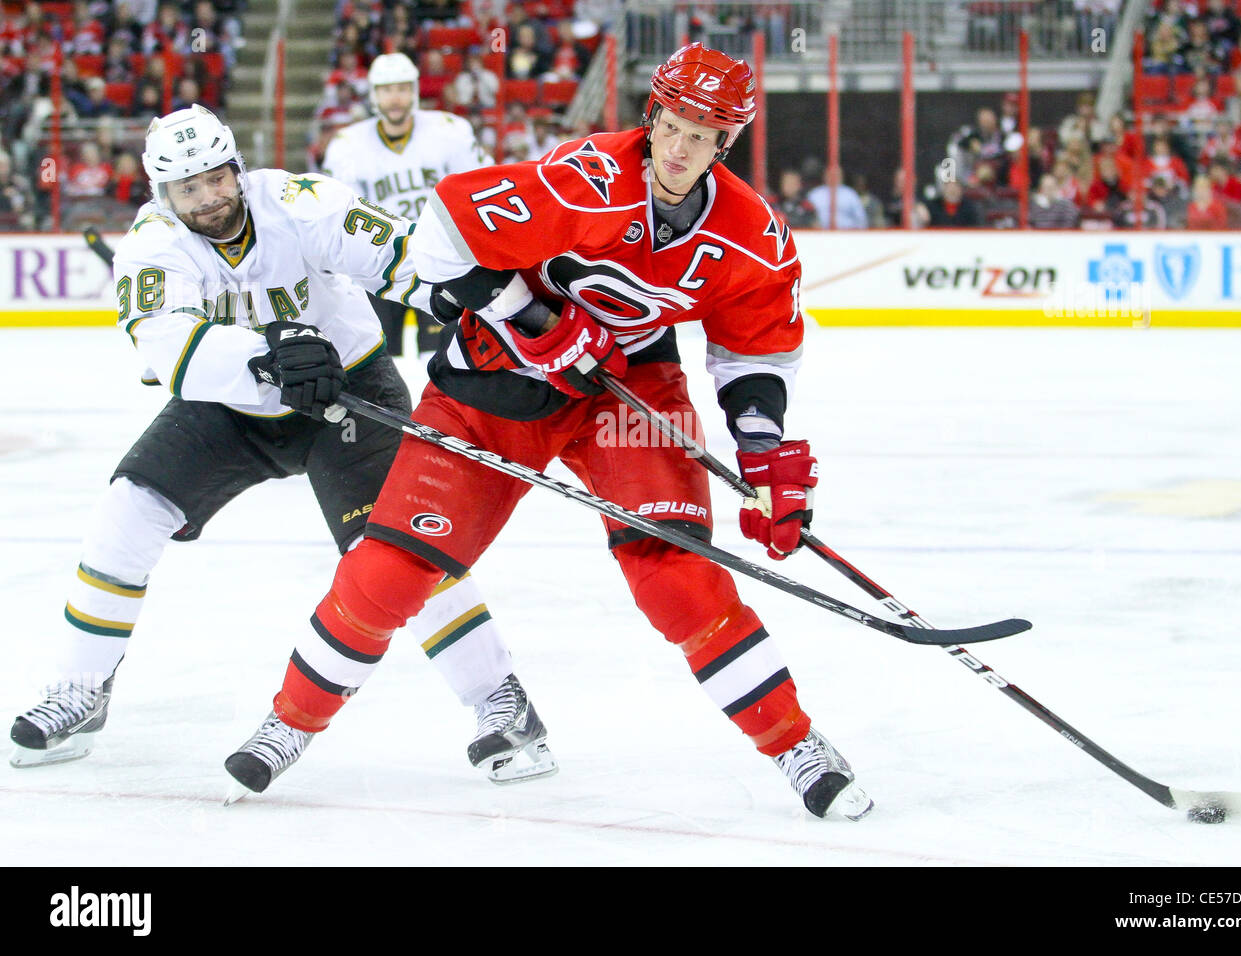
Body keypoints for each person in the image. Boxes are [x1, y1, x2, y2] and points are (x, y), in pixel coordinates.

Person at [224, 44, 874, 821]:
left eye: (702, 136)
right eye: (672, 125)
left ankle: (795, 744)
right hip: (498, 375)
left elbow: (756, 350)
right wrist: (534, 319)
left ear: (726, 144)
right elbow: (438, 237)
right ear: (653, 116)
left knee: (678, 576)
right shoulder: (585, 178)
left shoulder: (750, 234)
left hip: (625, 387)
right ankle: (287, 723)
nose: (678, 148)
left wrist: (765, 456)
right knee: (391, 570)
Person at [9, 106, 556, 788]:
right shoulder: (151, 246)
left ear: (237, 168)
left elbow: (397, 256)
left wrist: (472, 304)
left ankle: (502, 704)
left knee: (397, 550)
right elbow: (167, 345)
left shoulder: (299, 202)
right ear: (162, 195)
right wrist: (267, 350)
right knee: (130, 506)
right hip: (236, 404)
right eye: (187, 189)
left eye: (216, 178)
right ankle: (82, 690)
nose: (207, 198)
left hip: (349, 390)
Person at [323, 52, 491, 356]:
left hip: (443, 262)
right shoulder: (347, 145)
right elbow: (339, 219)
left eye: (401, 88)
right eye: (386, 90)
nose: (395, 98)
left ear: (414, 90)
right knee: (382, 358)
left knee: (446, 357)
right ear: (374, 94)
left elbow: (480, 191)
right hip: (380, 265)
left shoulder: (450, 130)